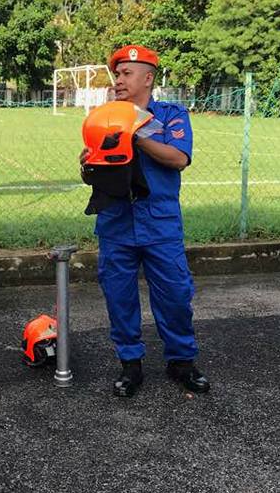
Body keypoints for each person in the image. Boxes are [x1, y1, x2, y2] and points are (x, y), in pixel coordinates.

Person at [81, 44, 209, 398]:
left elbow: (178, 158)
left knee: (175, 295)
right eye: (117, 74)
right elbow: (88, 168)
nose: (118, 80)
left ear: (148, 78)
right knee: (120, 297)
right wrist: (90, 162)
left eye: (126, 74)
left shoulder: (170, 115)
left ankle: (182, 361)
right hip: (116, 224)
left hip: (160, 225)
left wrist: (134, 131)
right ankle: (130, 364)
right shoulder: (103, 116)